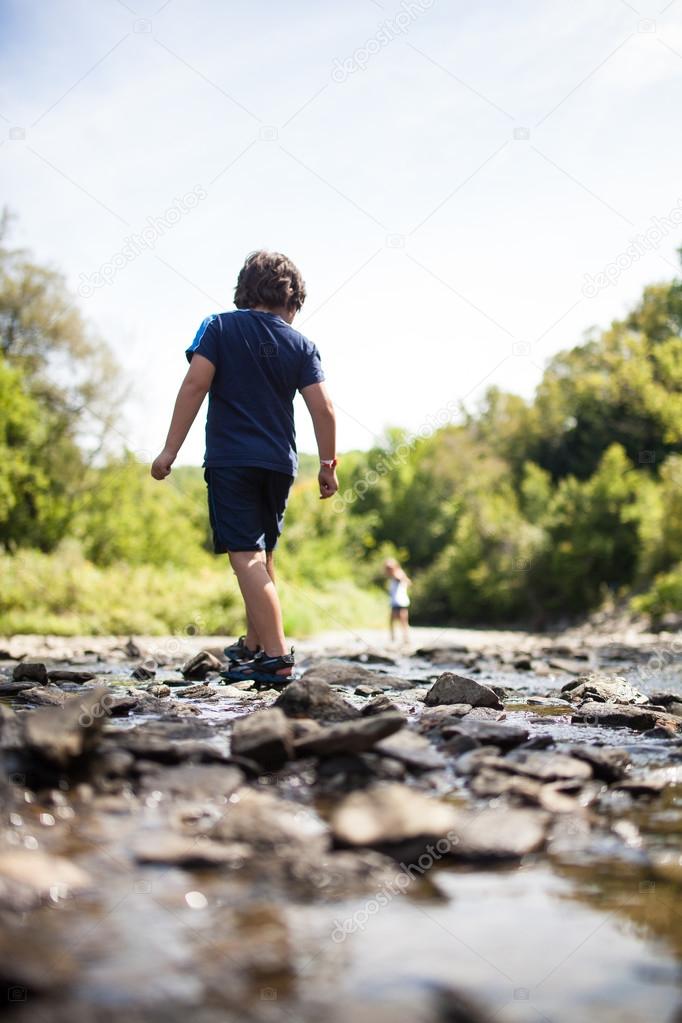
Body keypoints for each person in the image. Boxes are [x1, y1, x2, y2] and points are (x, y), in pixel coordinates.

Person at [151, 250, 338, 685]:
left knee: (247, 558)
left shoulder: (218, 326)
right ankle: (254, 647)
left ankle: (276, 656)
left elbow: (195, 384)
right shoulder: (302, 344)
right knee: (263, 555)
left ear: (244, 291)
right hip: (279, 465)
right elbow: (324, 409)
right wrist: (328, 464)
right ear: (292, 302)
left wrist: (169, 451)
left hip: (232, 461)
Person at [384, 557, 411, 645]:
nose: (388, 570)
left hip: (400, 601)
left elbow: (406, 581)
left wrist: (402, 580)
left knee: (402, 620)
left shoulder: (397, 574)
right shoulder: (396, 574)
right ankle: (395, 638)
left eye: (389, 568)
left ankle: (404, 638)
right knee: (394, 620)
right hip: (396, 601)